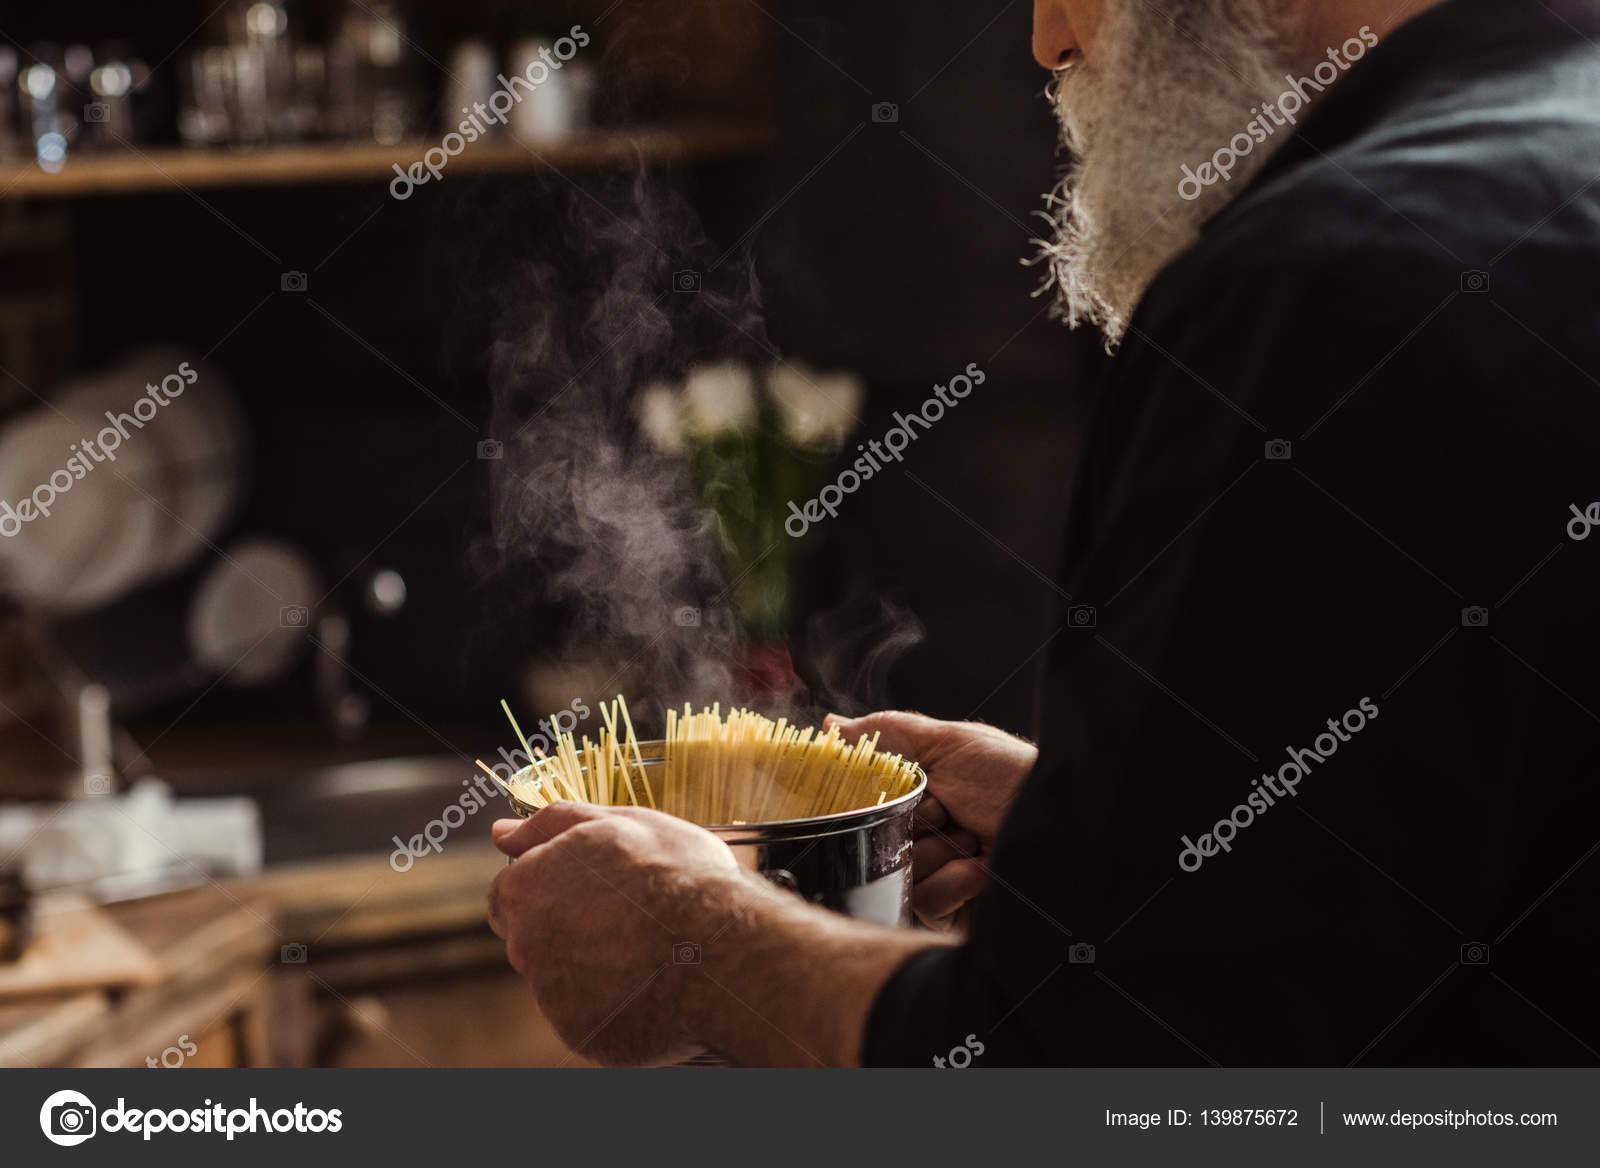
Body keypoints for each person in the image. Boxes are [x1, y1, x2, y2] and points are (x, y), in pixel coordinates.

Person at [489, 0, 1600, 1066]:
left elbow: (1099, 1074)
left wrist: (698, 947)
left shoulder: (1329, 276)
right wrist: (1115, 838)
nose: (1047, 39)